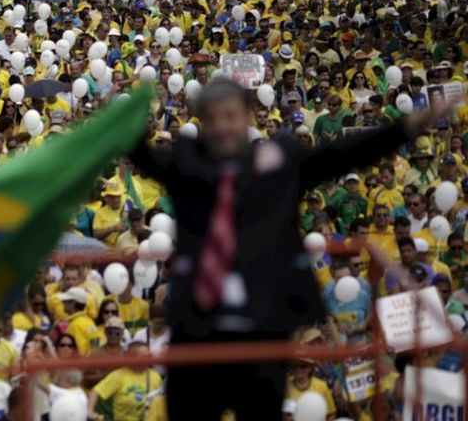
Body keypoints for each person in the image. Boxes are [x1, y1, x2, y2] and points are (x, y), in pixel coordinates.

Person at [128, 79, 449, 419]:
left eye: (230, 116)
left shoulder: (282, 161)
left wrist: (407, 126)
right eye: (212, 118)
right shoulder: (186, 162)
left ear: (248, 116)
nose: (222, 126)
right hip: (198, 333)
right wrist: (118, 117)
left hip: (264, 329)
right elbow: (140, 154)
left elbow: (344, 154)